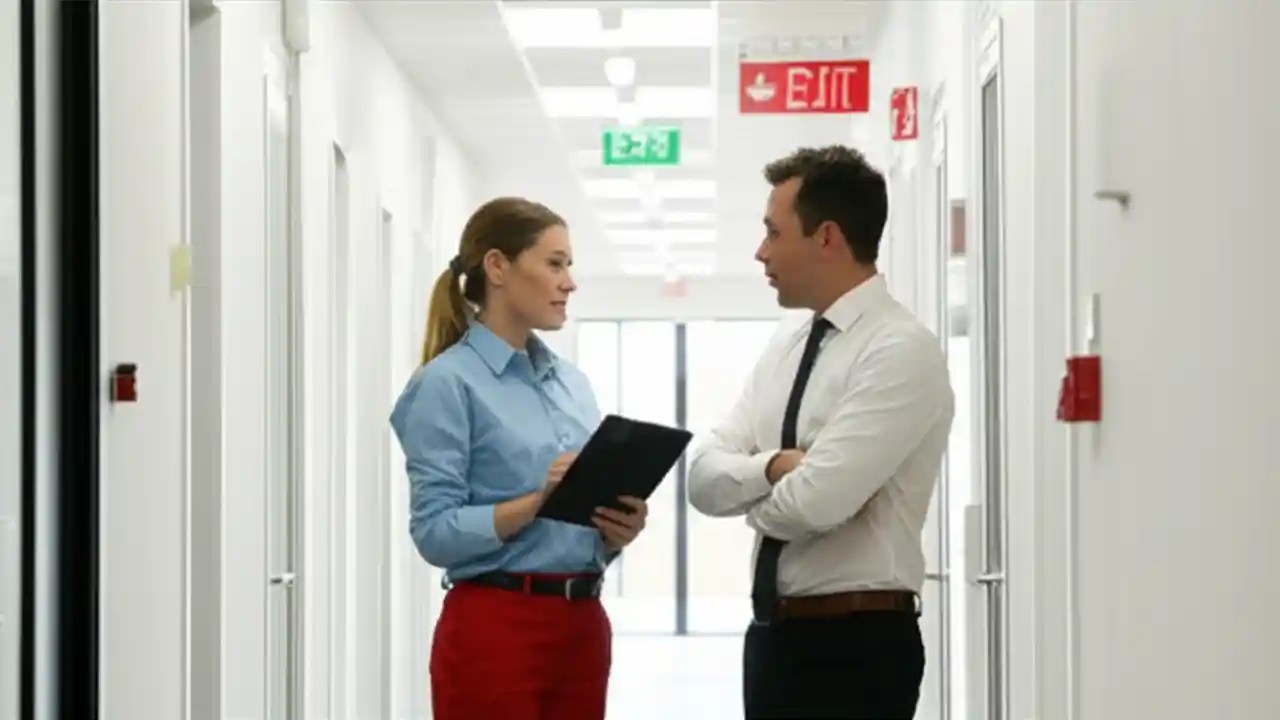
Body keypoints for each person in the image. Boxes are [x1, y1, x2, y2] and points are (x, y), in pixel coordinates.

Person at [687, 146, 955, 719]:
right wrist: (775, 467)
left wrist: (751, 499)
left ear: (826, 236)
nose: (761, 252)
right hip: (774, 639)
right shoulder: (786, 348)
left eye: (773, 232)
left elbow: (815, 504)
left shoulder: (898, 349)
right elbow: (702, 478)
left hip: (857, 648)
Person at [389, 197, 649, 720]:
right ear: (498, 267)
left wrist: (614, 530)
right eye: (554, 263)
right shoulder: (447, 383)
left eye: (569, 265)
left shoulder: (573, 384)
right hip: (496, 625)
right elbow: (434, 533)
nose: (569, 282)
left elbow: (578, 524)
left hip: (583, 626)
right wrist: (534, 504)